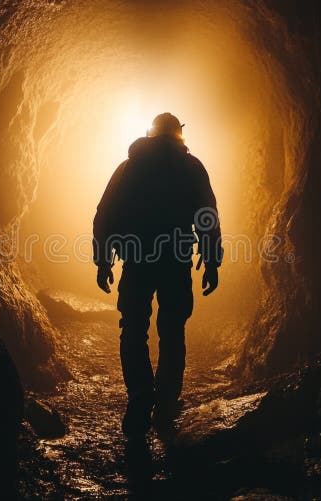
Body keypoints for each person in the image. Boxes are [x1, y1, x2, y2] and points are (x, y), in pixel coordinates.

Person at [93, 112, 223, 437]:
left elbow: (105, 213)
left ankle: (139, 396)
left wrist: (103, 260)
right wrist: (210, 262)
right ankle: (166, 402)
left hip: (136, 260)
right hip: (175, 261)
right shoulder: (191, 168)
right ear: (179, 135)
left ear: (150, 134)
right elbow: (207, 217)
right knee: (172, 329)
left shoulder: (129, 167)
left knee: (133, 329)